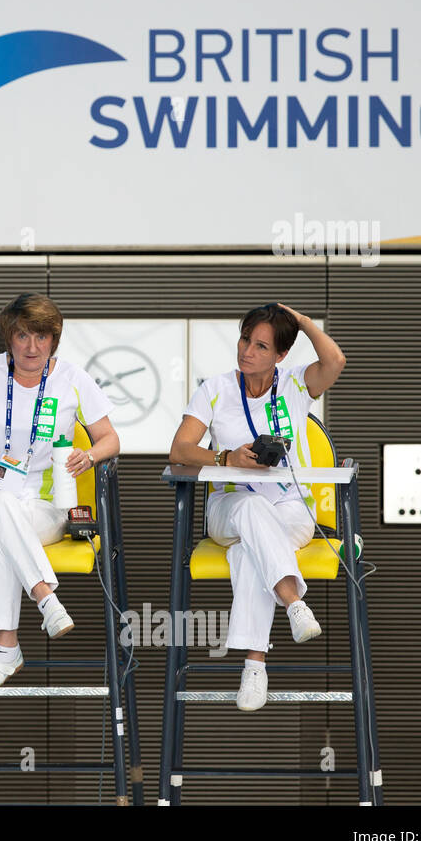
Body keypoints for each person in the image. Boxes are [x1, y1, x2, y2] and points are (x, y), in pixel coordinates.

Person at [0, 294, 120, 689]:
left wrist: (91, 453)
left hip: (43, 508)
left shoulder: (73, 379)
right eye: (23, 336)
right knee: (0, 505)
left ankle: (6, 649)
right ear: (9, 338)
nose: (32, 347)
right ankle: (46, 597)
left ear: (54, 339)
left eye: (42, 337)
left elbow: (110, 439)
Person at [168, 303, 347, 711]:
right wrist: (224, 457)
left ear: (281, 355)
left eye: (262, 346)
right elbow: (178, 450)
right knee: (250, 513)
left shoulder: (299, 384)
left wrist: (300, 321)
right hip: (230, 506)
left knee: (252, 551)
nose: (247, 350)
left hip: (289, 507)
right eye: (245, 339)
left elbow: (335, 359)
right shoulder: (214, 388)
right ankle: (294, 603)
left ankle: (254, 667)